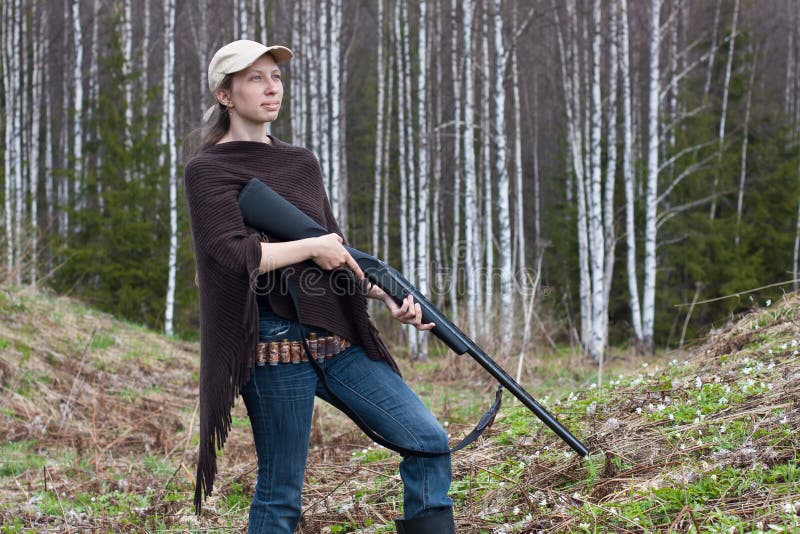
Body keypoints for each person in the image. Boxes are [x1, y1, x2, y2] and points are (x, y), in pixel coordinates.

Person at [184, 39, 456, 533]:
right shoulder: (208, 170)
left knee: (428, 440)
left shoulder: (300, 162)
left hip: (336, 340)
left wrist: (387, 297)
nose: (272, 88)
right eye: (256, 78)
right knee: (281, 494)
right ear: (226, 96)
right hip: (270, 349)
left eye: (277, 77)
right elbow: (232, 256)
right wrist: (313, 247)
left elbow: (336, 257)